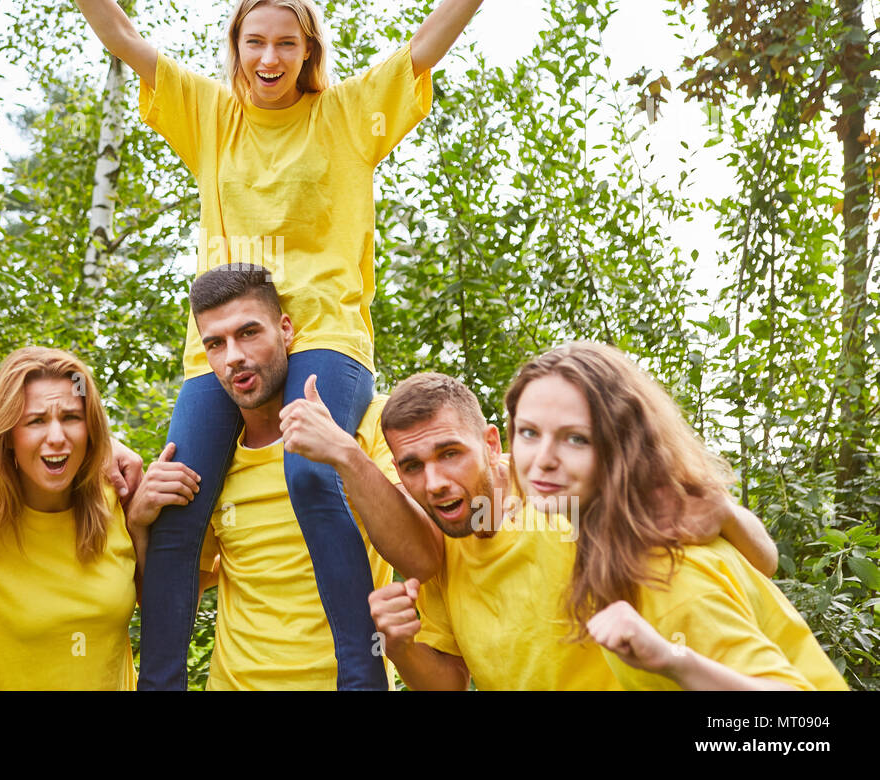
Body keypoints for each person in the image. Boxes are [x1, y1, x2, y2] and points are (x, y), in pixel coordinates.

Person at [0, 0, 555, 689]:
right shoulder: (211, 115)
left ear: (308, 50)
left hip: (325, 334)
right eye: (255, 42)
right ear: (236, 49)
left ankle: (357, 674)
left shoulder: (344, 115)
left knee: (307, 467)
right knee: (179, 501)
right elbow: (124, 38)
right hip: (223, 345)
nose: (269, 57)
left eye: (286, 42)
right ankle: (160, 685)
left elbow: (426, 45)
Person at [126, 264, 441, 689]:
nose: (234, 355)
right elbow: (168, 596)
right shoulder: (208, 459)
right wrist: (140, 525)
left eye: (249, 332)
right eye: (215, 344)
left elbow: (421, 556)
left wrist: (344, 454)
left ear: (286, 329)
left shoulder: (368, 424)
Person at [367, 370, 785, 690]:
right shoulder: (439, 541)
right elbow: (450, 680)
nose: (435, 481)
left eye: (450, 452)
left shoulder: (567, 486)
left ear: (491, 443)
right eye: (413, 466)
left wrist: (724, 512)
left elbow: (762, 562)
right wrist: (400, 647)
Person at [504, 342, 847, 690]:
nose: (543, 459)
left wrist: (672, 659)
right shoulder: (600, 524)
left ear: (623, 449)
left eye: (576, 439)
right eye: (529, 432)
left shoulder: (667, 575)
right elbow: (766, 562)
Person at [0, 346, 142, 689]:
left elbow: (179, 588)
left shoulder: (118, 497)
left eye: (71, 417)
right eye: (36, 421)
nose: (57, 438)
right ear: (8, 434)